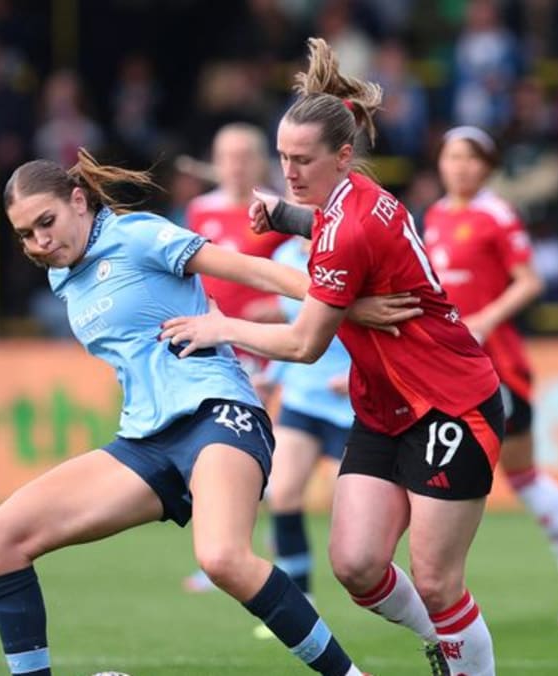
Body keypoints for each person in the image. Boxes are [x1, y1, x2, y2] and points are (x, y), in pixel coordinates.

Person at [0, 149, 411, 676]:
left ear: (78, 200)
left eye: (47, 222)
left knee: (223, 557)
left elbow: (256, 270)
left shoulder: (135, 235)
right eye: (25, 234)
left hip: (219, 414)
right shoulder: (62, 274)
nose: (40, 242)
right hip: (146, 440)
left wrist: (348, 305)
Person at [162, 38, 504, 675]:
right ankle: (458, 639)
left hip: (450, 405)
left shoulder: (349, 226)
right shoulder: (346, 199)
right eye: (283, 158)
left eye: (302, 161)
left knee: (435, 580)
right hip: (383, 405)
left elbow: (303, 343)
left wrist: (220, 326)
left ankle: (464, 656)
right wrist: (286, 214)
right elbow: (328, 225)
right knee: (356, 565)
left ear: (343, 156)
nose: (289, 171)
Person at [424, 126, 558, 627]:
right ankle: (438, 590)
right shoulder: (435, 216)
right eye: (451, 157)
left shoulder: (497, 215)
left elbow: (531, 282)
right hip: (448, 366)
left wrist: (484, 318)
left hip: (497, 366)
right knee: (456, 472)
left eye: (470, 158)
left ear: (486, 166)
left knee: (520, 474)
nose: (459, 166)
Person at [181, 121, 290, 594]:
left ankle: (257, 551)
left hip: (265, 348)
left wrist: (283, 306)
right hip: (214, 345)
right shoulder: (199, 210)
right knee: (219, 449)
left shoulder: (273, 209)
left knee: (258, 451)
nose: (236, 163)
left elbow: (298, 267)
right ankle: (231, 551)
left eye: (245, 154)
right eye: (227, 154)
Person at [246, 235, 356, 641]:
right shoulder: (284, 257)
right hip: (303, 396)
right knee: (283, 493)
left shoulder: (347, 251)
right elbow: (294, 328)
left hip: (350, 404)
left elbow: (369, 320)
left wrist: (359, 376)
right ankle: (300, 603)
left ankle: (400, 598)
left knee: (358, 527)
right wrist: (272, 378)